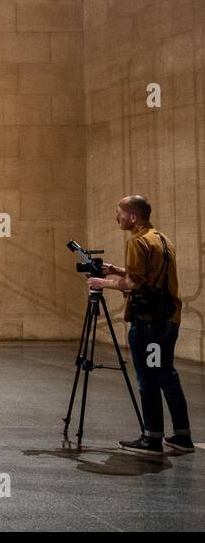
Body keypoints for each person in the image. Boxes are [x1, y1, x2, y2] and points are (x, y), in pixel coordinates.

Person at [87, 195, 193, 456]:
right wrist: (118, 270)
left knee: (148, 377)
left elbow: (134, 284)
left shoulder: (136, 241)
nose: (116, 218)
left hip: (148, 323)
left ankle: (151, 438)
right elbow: (149, 277)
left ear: (132, 217)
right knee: (167, 374)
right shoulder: (162, 240)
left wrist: (102, 283)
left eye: (119, 213)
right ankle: (182, 436)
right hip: (169, 319)